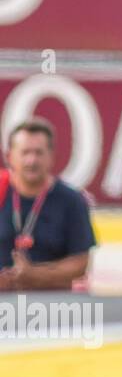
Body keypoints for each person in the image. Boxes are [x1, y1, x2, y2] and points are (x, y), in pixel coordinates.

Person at [0, 119, 96, 291]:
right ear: (9, 156)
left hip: (53, 306)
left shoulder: (71, 200)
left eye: (38, 152)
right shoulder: (1, 189)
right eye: (25, 152)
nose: (32, 160)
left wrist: (34, 275)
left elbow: (81, 262)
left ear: (51, 156)